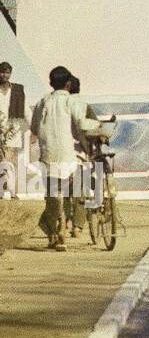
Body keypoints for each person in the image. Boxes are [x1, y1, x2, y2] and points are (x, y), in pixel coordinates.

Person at [31, 66, 98, 251]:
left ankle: (55, 231)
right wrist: (98, 125)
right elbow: (83, 124)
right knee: (76, 190)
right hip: (69, 157)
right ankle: (70, 226)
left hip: (48, 155)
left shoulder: (42, 102)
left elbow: (35, 128)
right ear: (68, 84)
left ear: (51, 83)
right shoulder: (72, 102)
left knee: (53, 195)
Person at [0, 62, 28, 175]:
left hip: (12, 134)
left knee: (10, 168)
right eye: (2, 72)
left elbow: (26, 111)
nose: (4, 75)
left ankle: (11, 191)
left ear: (10, 74)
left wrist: (36, 129)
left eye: (7, 72)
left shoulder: (17, 90)